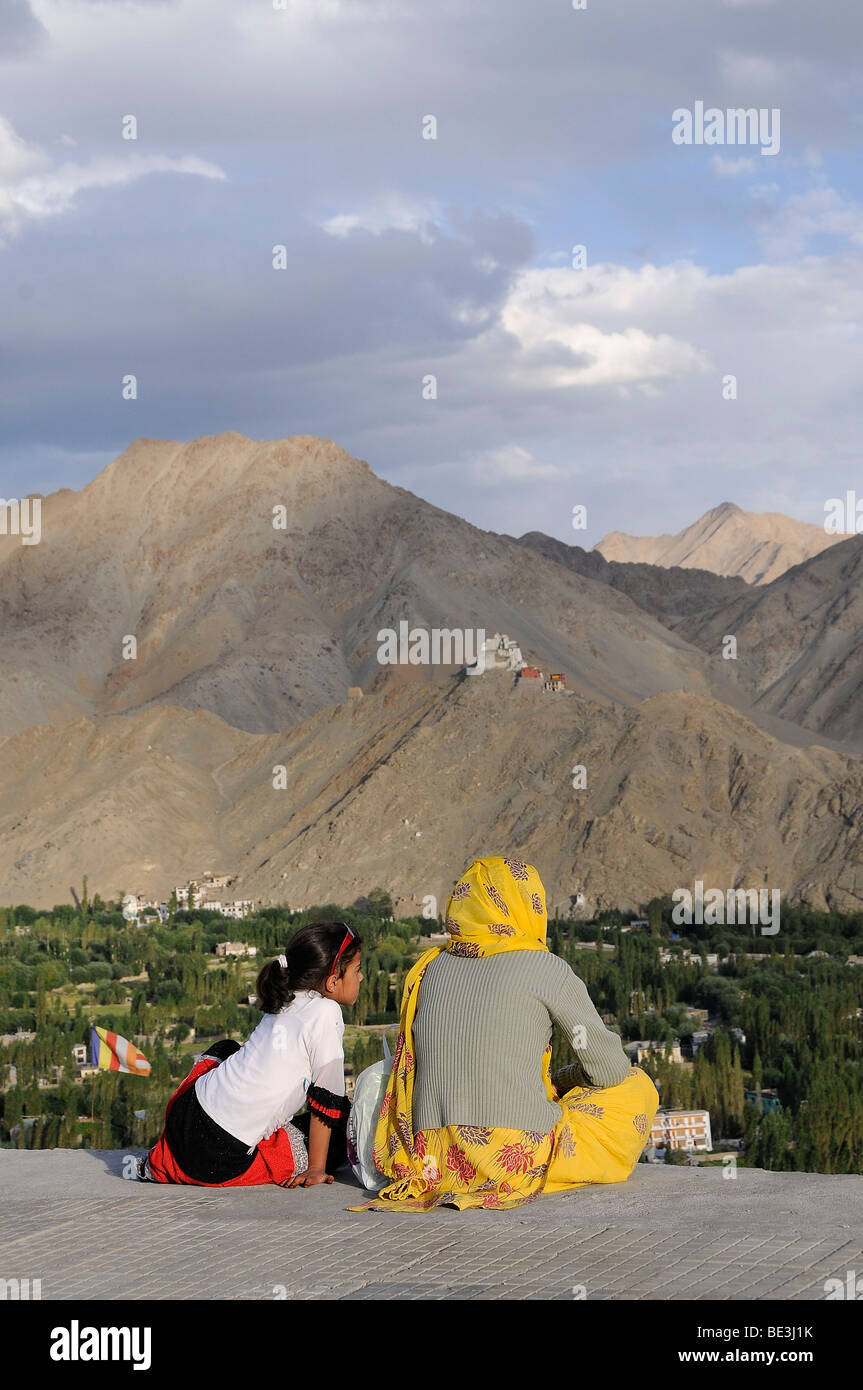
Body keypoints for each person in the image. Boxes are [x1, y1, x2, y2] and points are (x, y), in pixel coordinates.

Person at [356, 856, 658, 1211]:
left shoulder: (430, 968)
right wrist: (567, 1079)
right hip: (512, 1161)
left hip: (433, 1163)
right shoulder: (545, 968)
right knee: (636, 1086)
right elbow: (607, 1070)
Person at [139, 922, 362, 1188]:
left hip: (184, 1119)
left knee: (227, 1049)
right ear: (332, 981)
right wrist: (316, 1168)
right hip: (215, 1159)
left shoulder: (286, 996)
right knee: (344, 1128)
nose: (361, 978)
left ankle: (160, 1160)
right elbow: (327, 1102)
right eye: (357, 970)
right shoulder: (326, 1013)